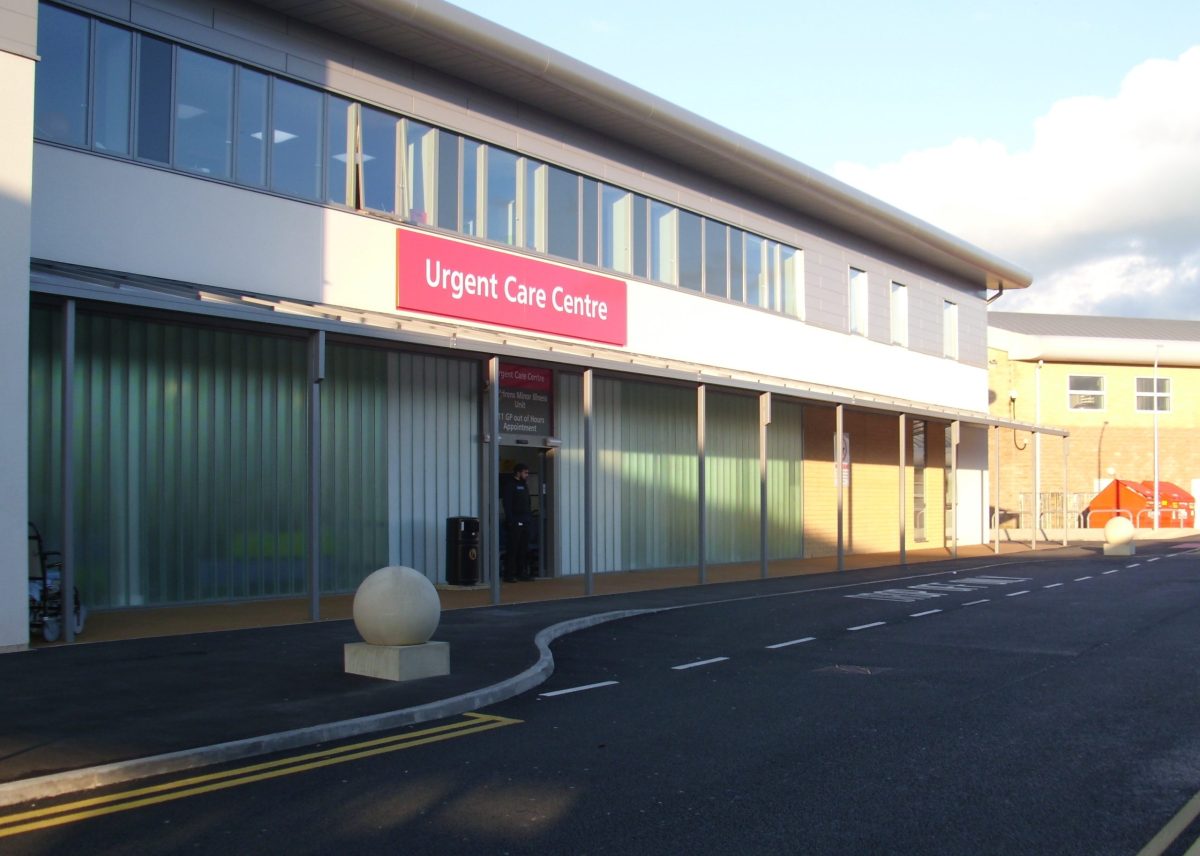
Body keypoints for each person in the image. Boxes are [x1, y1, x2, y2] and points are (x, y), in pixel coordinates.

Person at [501, 463, 534, 581]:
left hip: (525, 521)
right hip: (515, 521)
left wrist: (529, 518)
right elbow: (507, 504)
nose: (527, 475)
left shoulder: (524, 485)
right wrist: (511, 520)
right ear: (518, 472)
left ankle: (522, 572)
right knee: (513, 548)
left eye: (527, 473)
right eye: (525, 473)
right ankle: (509, 574)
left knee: (523, 548)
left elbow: (528, 503)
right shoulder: (510, 485)